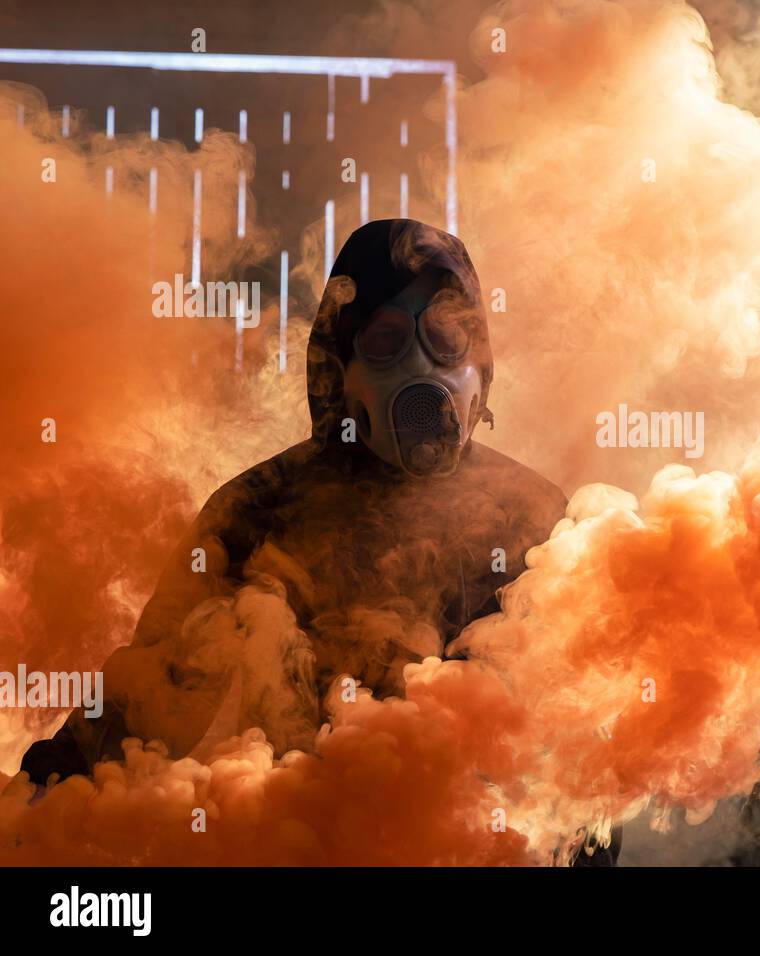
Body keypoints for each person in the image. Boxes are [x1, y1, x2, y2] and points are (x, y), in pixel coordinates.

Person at [21, 219, 618, 864]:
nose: (425, 368)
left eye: (448, 337)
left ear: (483, 357)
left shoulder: (531, 516)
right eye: (387, 342)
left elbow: (584, 729)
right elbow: (146, 686)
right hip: (311, 841)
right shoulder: (262, 508)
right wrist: (40, 795)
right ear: (341, 367)